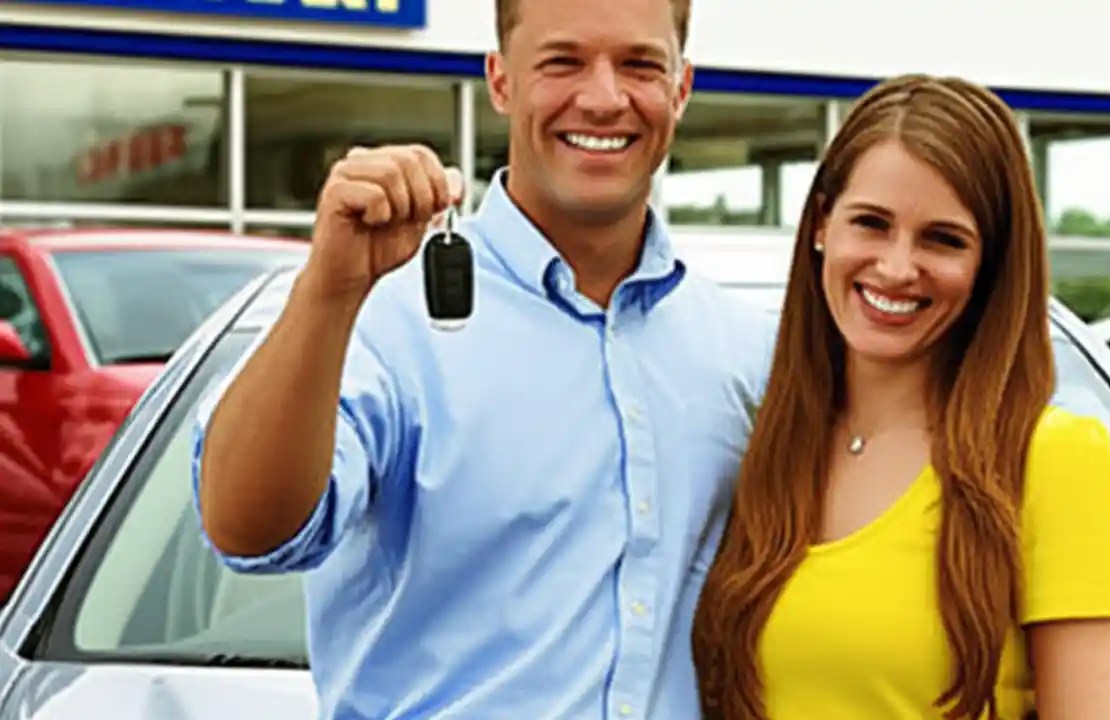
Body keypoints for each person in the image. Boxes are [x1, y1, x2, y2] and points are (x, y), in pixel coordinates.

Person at [191, 0, 775, 718]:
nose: (602, 97)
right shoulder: (379, 318)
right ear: (500, 81)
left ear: (680, 89)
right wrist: (327, 293)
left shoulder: (748, 351)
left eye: (639, 64)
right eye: (562, 62)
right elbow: (247, 531)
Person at [691, 74, 1110, 720]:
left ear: (990, 263)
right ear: (822, 224)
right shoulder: (767, 446)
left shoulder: (1057, 462)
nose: (897, 267)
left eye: (944, 239)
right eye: (871, 224)